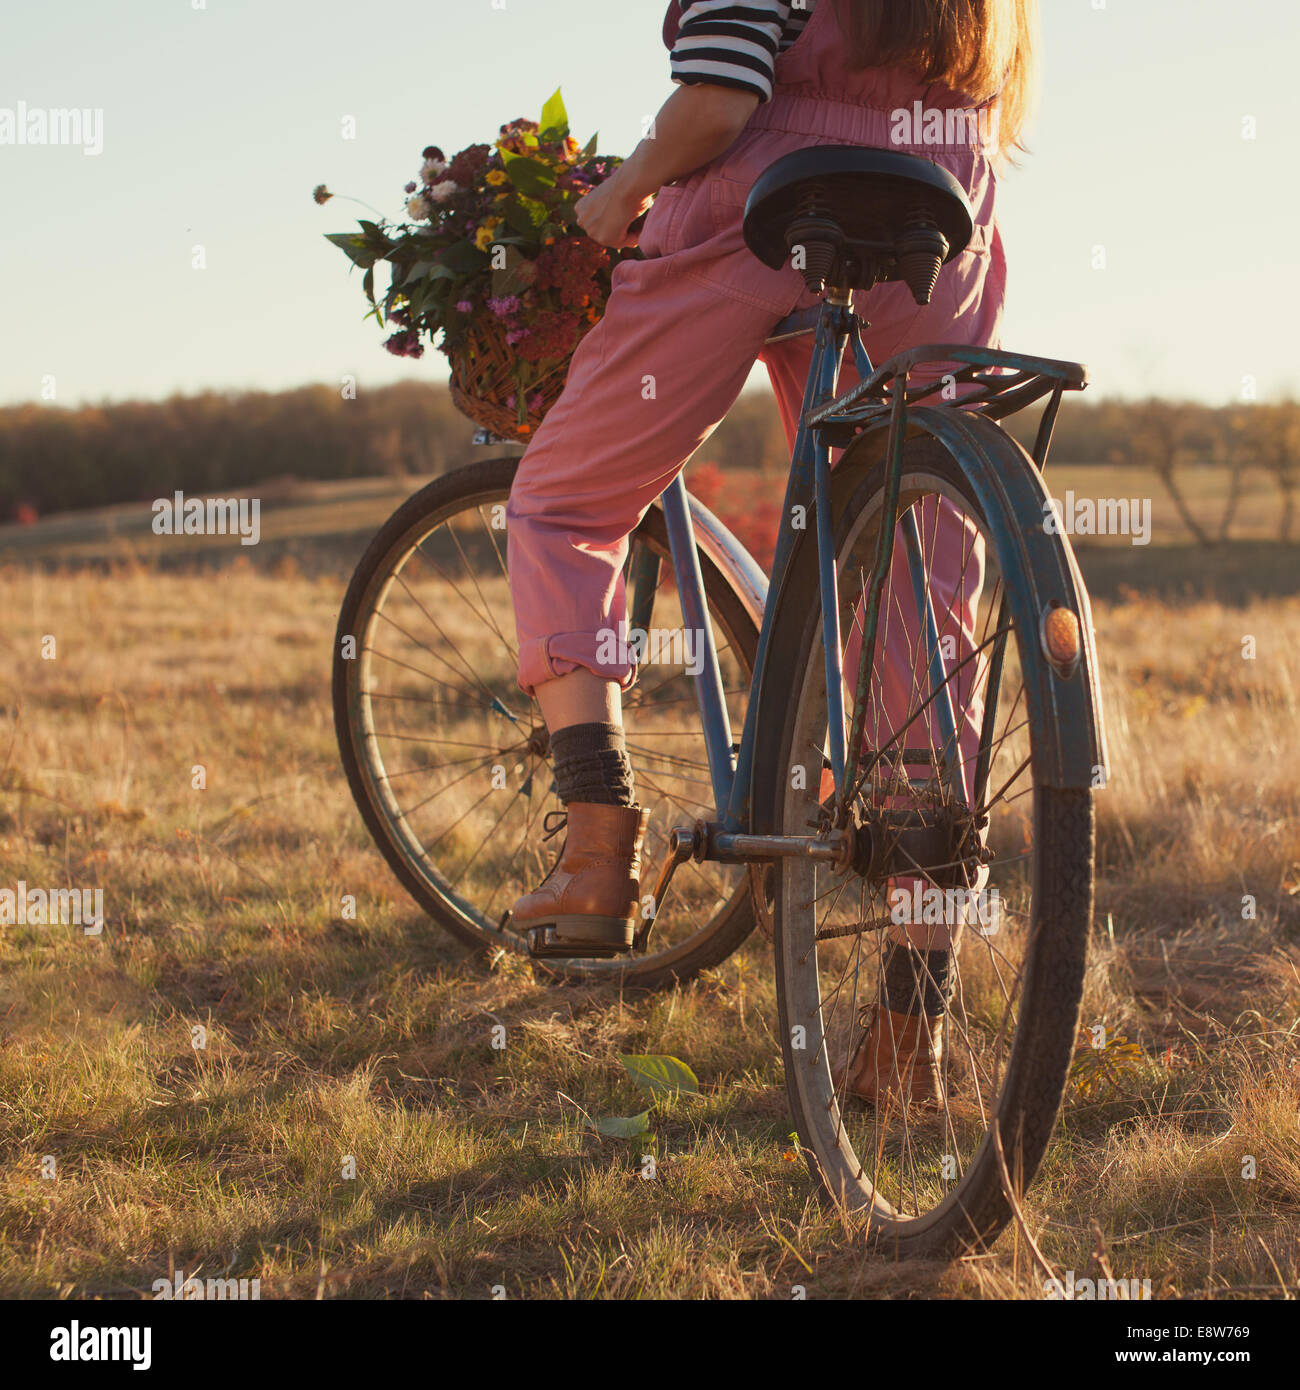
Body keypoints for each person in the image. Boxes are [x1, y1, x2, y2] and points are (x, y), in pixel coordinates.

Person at [505, 0, 1038, 1104]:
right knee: (915, 572)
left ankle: (597, 846)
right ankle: (909, 1024)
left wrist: (618, 193)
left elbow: (720, 94)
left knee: (564, 500)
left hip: (769, 200)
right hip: (940, 207)